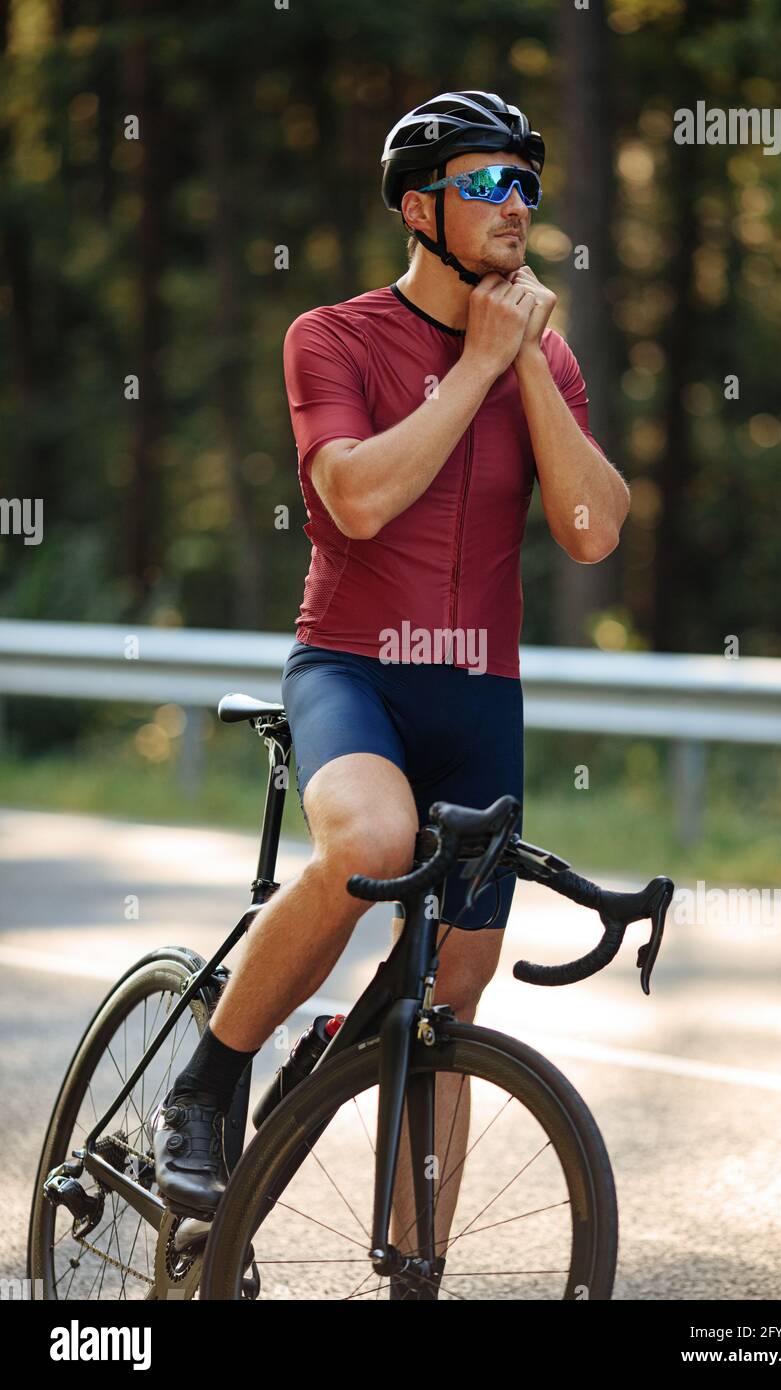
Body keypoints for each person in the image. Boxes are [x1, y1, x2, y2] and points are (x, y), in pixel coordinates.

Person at [149, 89, 630, 1298]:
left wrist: (519, 367)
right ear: (418, 208)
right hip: (352, 669)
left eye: (523, 181)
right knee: (372, 840)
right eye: (484, 183)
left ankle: (409, 1269)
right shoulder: (334, 336)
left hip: (479, 692)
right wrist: (474, 364)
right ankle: (209, 1079)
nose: (513, 202)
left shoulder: (546, 358)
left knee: (447, 998)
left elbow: (589, 533)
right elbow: (354, 499)